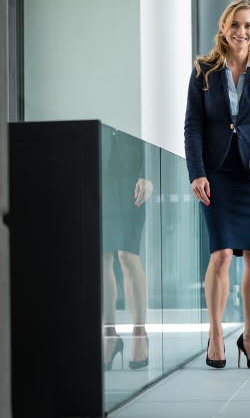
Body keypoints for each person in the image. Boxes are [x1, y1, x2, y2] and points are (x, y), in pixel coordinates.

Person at [184, 0, 250, 369]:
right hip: (217, 174)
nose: (242, 31)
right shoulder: (203, 71)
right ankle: (214, 332)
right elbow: (192, 124)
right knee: (221, 254)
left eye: (249, 25)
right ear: (224, 28)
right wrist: (196, 172)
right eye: (235, 24)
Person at [102, 129, 152, 371]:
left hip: (132, 174)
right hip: (98, 169)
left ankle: (139, 332)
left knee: (128, 255)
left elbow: (151, 122)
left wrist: (148, 173)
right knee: (101, 257)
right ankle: (109, 336)